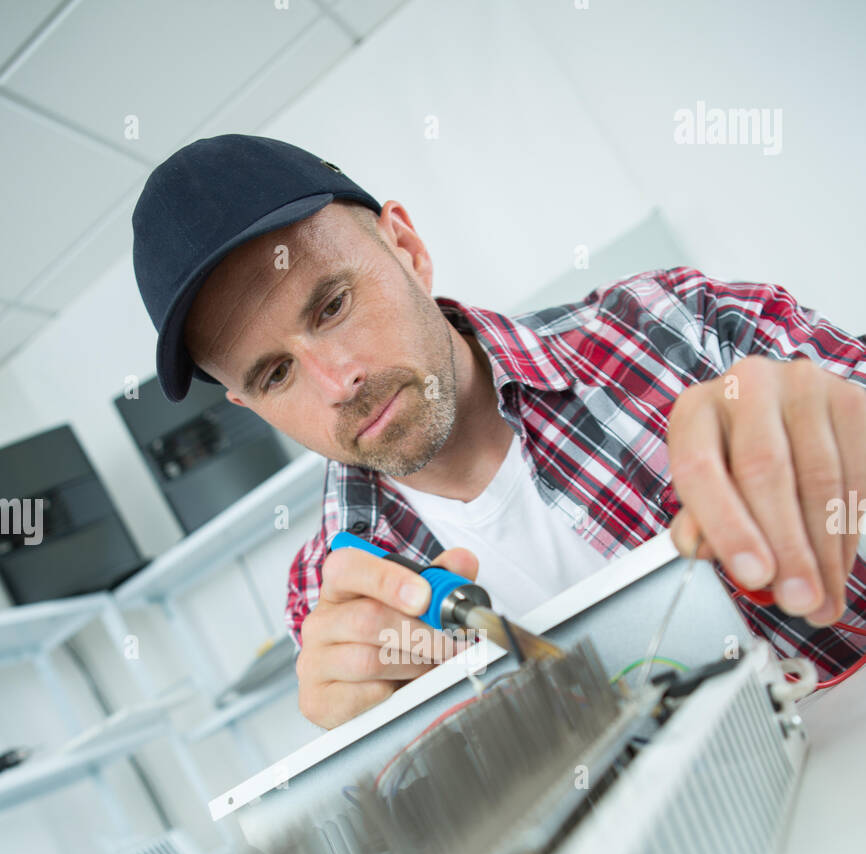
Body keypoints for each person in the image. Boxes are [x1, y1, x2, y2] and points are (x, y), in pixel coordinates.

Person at [132, 135, 866, 730]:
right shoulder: (335, 599)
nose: (338, 383)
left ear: (406, 250)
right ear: (246, 402)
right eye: (275, 375)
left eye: (330, 306)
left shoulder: (676, 327)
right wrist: (374, 760)